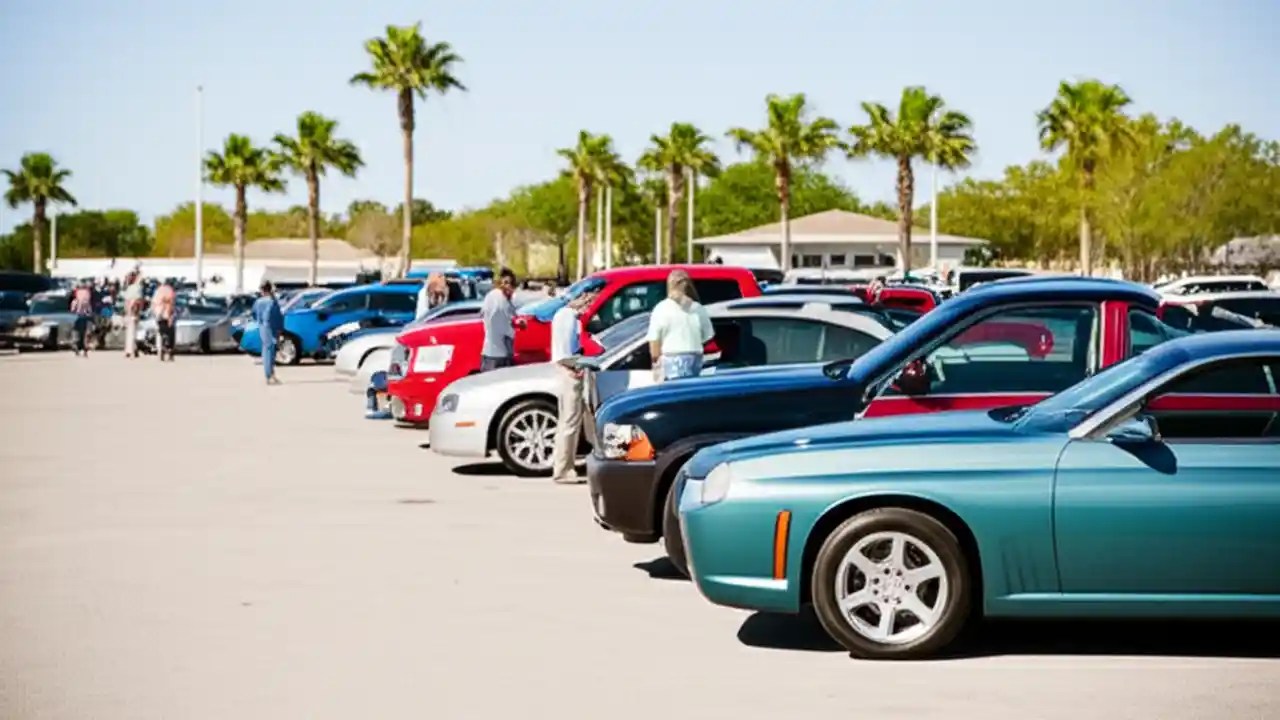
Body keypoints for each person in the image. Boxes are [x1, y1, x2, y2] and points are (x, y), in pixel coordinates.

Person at [548, 291, 596, 484]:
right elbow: (567, 351)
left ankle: (564, 465)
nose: (588, 305)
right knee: (570, 423)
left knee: (569, 421)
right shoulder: (569, 318)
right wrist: (579, 364)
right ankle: (563, 469)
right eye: (587, 300)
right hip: (569, 372)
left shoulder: (561, 315)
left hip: (564, 371)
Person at [647, 269, 713, 382]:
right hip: (695, 357)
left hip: (670, 358)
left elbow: (654, 342)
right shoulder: (698, 308)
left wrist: (656, 363)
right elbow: (708, 336)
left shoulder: (661, 309)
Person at [479, 267, 517, 372]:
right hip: (499, 355)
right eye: (505, 283)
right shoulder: (501, 300)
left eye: (510, 284)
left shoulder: (490, 296)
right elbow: (506, 330)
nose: (507, 286)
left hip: (487, 352)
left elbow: (483, 315)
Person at [252, 281, 285, 385]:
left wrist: (259, 321)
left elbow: (254, 314)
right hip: (271, 327)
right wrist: (280, 329)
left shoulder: (258, 302)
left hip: (262, 326)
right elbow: (277, 316)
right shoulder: (272, 301)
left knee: (266, 349)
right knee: (270, 350)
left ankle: (269, 374)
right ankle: (269, 375)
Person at [150, 279, 177, 361]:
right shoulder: (170, 291)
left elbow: (153, 303)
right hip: (166, 314)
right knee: (170, 334)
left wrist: (155, 312)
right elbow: (170, 304)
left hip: (158, 314)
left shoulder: (158, 291)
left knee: (160, 333)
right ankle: (169, 352)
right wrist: (170, 316)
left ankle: (160, 351)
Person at [69, 280, 95, 357]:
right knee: (85, 334)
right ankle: (84, 349)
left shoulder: (76, 299)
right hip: (86, 317)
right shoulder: (87, 295)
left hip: (78, 317)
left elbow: (72, 309)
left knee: (77, 333)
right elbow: (89, 309)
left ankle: (77, 347)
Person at [122, 272, 144, 358]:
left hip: (129, 311)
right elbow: (138, 301)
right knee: (132, 332)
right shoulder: (137, 288)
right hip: (133, 311)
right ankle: (132, 350)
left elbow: (128, 302)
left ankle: (130, 350)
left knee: (130, 332)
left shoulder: (129, 288)